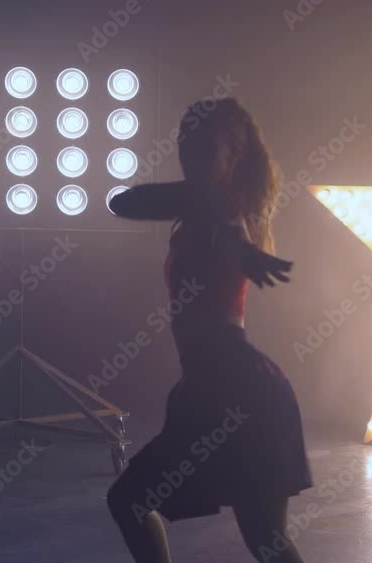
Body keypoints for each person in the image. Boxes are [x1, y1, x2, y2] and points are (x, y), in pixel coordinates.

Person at [106, 97, 312, 563]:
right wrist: (197, 196)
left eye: (206, 147)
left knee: (135, 501)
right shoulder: (202, 205)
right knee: (264, 538)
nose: (191, 155)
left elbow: (227, 233)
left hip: (237, 390)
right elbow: (122, 202)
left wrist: (243, 253)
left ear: (233, 155)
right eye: (186, 143)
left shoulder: (223, 211)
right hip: (220, 387)